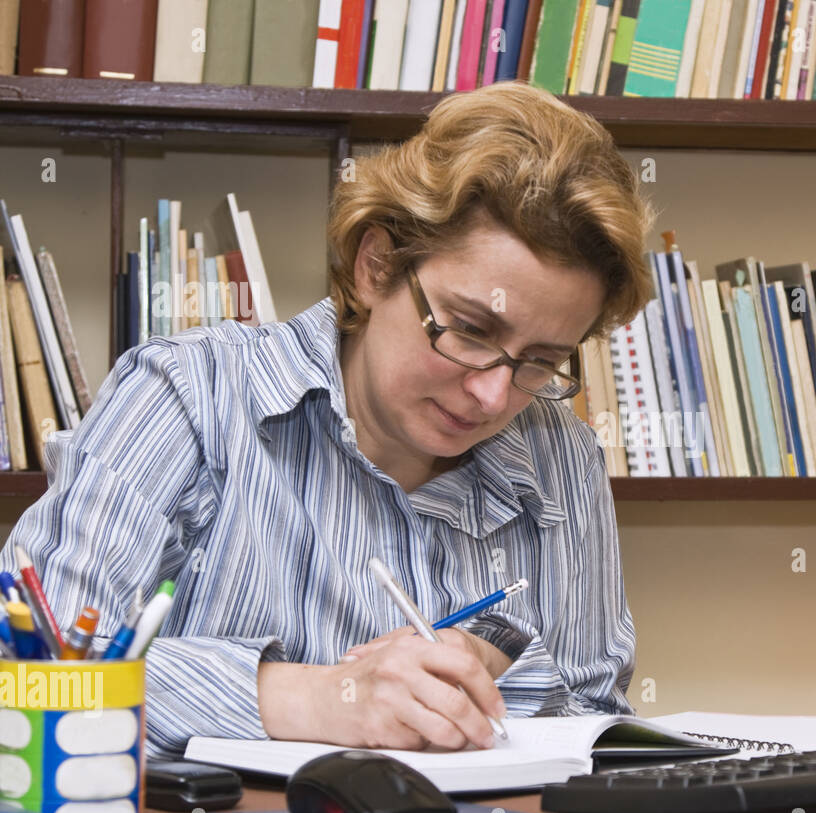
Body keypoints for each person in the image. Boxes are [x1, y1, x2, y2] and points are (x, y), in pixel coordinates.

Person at [0, 81, 657, 760]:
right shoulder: (188, 395)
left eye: (540, 361)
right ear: (376, 267)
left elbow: (596, 725)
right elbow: (28, 671)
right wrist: (321, 697)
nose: (494, 396)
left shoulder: (564, 456)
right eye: (468, 329)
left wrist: (487, 677)